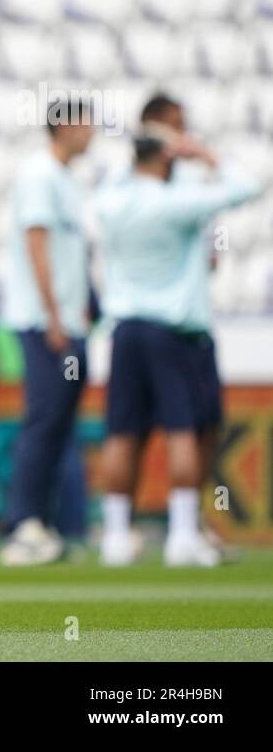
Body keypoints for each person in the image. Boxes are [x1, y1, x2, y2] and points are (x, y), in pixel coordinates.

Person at [95, 130, 260, 567]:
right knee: (182, 430)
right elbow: (248, 187)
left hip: (125, 329)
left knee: (122, 432)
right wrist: (204, 154)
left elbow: (113, 181)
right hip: (170, 330)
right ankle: (183, 534)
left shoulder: (112, 202)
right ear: (165, 160)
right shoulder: (173, 204)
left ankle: (115, 536)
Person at [0, 100, 95, 566]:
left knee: (58, 425)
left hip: (65, 321)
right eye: (86, 121)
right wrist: (55, 316)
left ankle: (47, 522)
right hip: (45, 323)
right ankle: (24, 524)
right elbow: (36, 245)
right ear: (66, 125)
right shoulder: (40, 175)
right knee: (43, 421)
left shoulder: (65, 179)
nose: (92, 130)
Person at [139, 93, 232, 558]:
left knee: (205, 424)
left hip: (193, 320)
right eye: (174, 126)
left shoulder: (193, 182)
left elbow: (214, 245)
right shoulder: (139, 185)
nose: (183, 134)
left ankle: (189, 521)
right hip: (163, 322)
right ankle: (130, 526)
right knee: (153, 429)